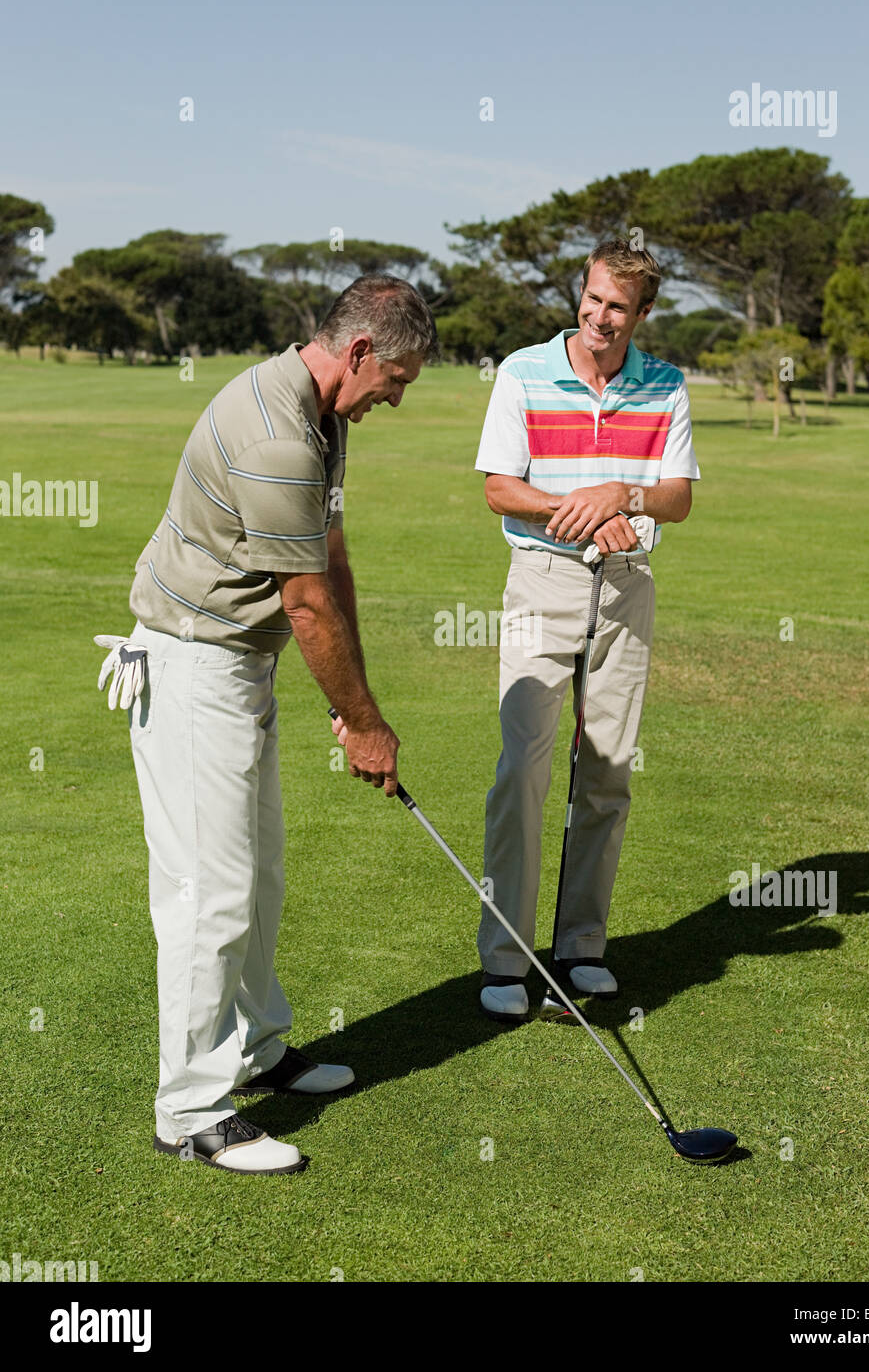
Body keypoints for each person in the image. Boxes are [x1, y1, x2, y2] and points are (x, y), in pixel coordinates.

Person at [97, 275, 438, 1174]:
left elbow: (327, 559)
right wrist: (365, 727)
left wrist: (350, 702)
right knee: (208, 891)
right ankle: (191, 1109)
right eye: (396, 378)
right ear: (360, 351)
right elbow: (307, 604)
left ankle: (250, 1050)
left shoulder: (320, 416)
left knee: (259, 875)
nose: (396, 397)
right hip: (192, 666)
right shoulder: (277, 433)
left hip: (238, 667)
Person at [474, 239, 700, 1022]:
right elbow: (500, 489)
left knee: (606, 770)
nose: (601, 318)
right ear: (582, 293)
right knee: (523, 770)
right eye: (593, 299)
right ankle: (507, 955)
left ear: (640, 315)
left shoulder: (665, 385)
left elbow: (675, 498)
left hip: (627, 588)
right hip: (543, 580)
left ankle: (580, 948)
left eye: (619, 308)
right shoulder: (522, 372)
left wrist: (620, 496)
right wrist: (577, 515)